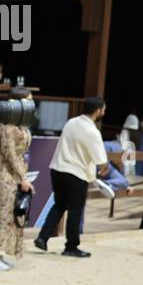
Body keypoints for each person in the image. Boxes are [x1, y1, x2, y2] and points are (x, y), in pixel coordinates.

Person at [35, 96, 108, 258]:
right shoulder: (92, 131)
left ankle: (43, 237)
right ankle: (71, 246)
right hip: (76, 174)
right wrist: (104, 169)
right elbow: (101, 160)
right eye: (103, 108)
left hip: (57, 169)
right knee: (75, 211)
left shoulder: (71, 122)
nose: (104, 111)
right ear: (98, 111)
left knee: (59, 205)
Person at [0, 121, 33, 270]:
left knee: (10, 215)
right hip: (4, 174)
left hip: (16, 174)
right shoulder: (6, 125)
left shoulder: (21, 123)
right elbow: (9, 153)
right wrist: (23, 176)